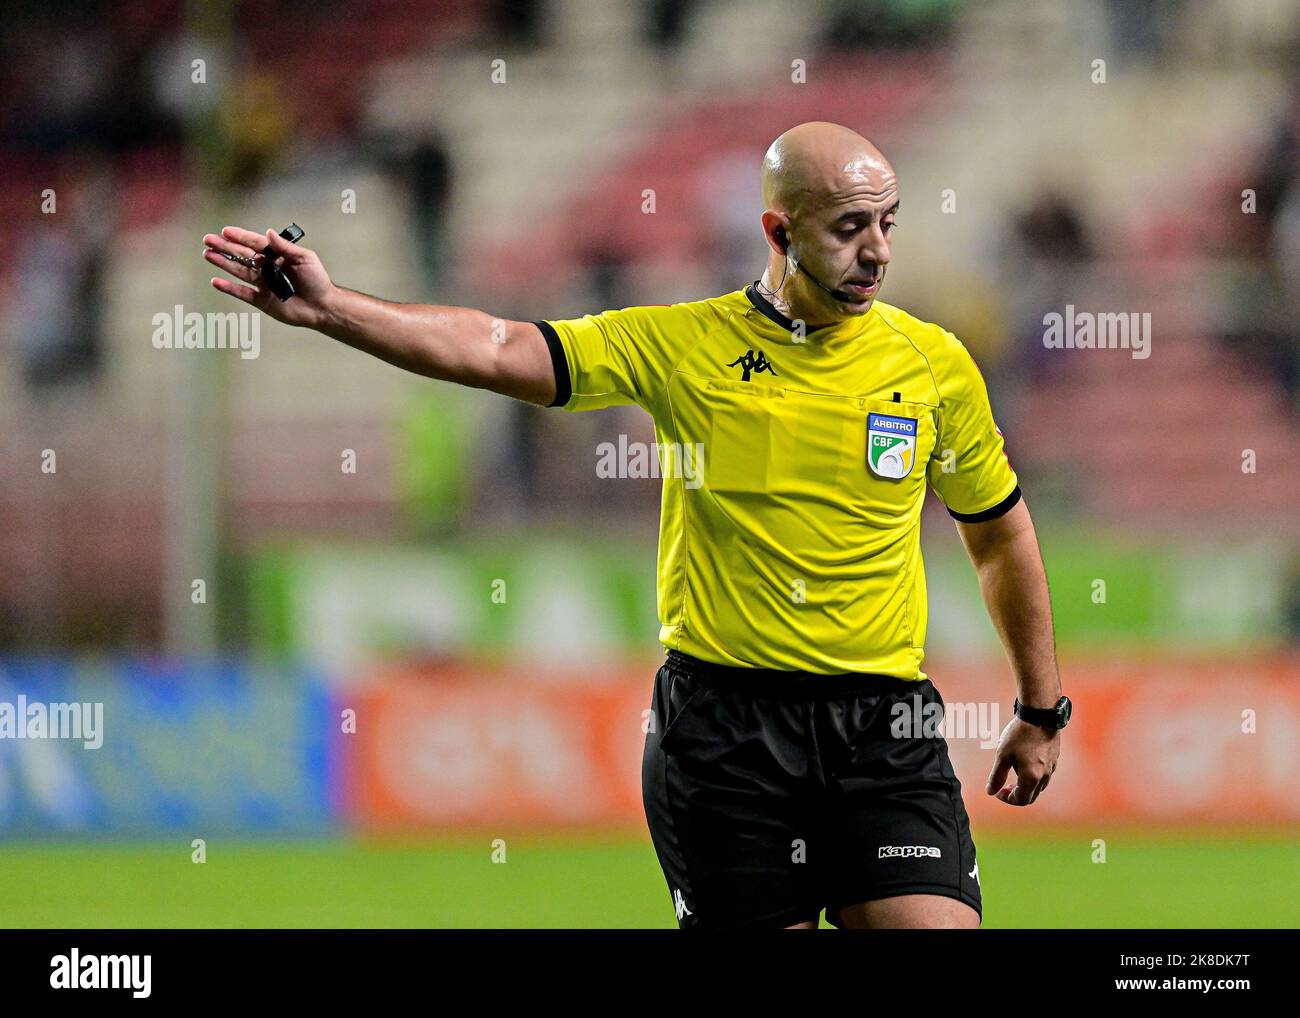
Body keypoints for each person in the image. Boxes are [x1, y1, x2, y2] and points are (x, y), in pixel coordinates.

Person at [202, 121, 1067, 930]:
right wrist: (331, 309)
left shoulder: (933, 366)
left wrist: (1039, 705)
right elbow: (500, 348)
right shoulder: (683, 345)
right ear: (778, 231)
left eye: (888, 222)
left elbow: (1000, 535)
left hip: (884, 724)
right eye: (848, 227)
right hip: (729, 732)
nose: (877, 249)